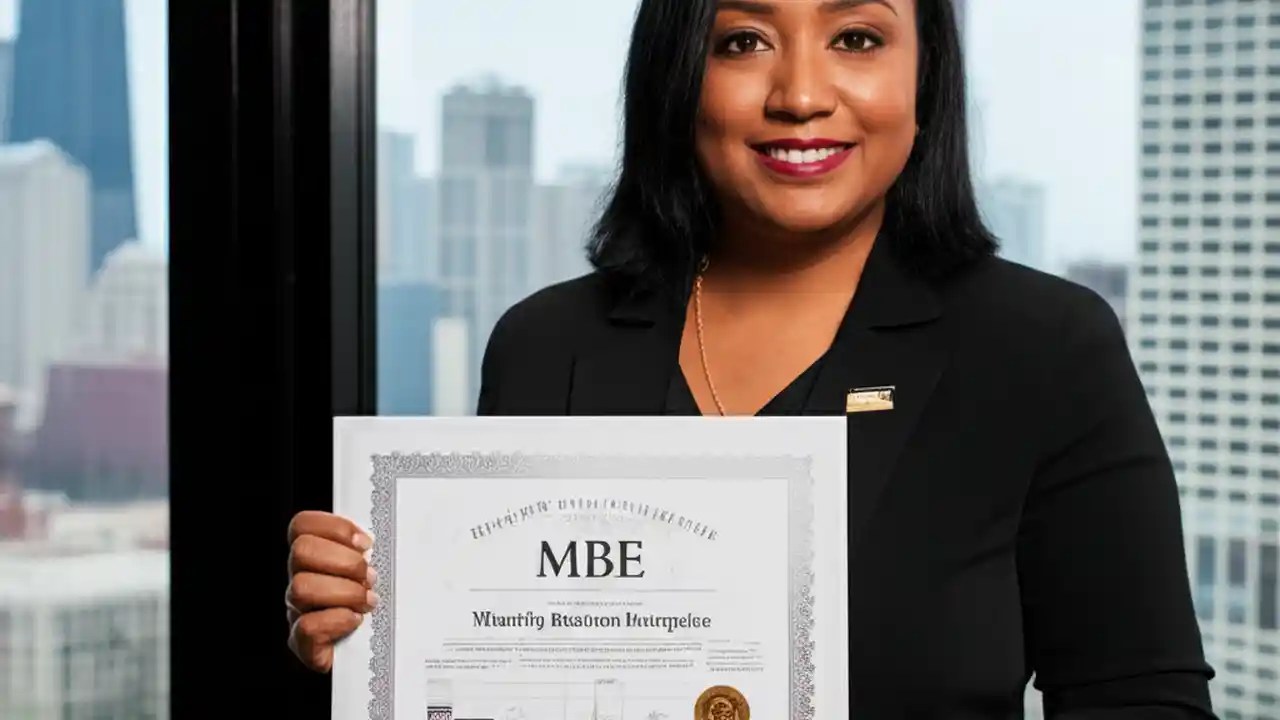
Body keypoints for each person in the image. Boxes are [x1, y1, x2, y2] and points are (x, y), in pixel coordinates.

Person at [285, 0, 1218, 715]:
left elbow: (1144, 701)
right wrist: (374, 632)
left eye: (857, 38)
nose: (801, 94)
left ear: (926, 77)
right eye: (742, 41)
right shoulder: (544, 343)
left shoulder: (1045, 347)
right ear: (675, 78)